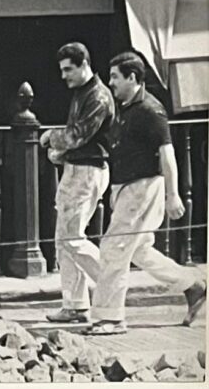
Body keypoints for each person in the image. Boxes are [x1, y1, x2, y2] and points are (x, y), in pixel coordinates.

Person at [84, 52, 206, 334]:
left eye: (115, 76)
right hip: (127, 188)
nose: (110, 82)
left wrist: (173, 195)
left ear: (133, 78)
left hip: (142, 187)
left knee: (114, 248)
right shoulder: (126, 108)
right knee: (138, 250)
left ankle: (110, 318)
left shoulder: (151, 110)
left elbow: (168, 153)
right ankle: (193, 285)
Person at [40, 42, 115, 323]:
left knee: (71, 238)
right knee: (65, 240)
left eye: (68, 69)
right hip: (78, 168)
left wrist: (52, 138)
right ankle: (75, 304)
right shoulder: (84, 93)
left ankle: (111, 284)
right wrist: (63, 154)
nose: (64, 76)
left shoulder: (97, 96)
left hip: (87, 171)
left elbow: (77, 136)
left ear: (84, 64)